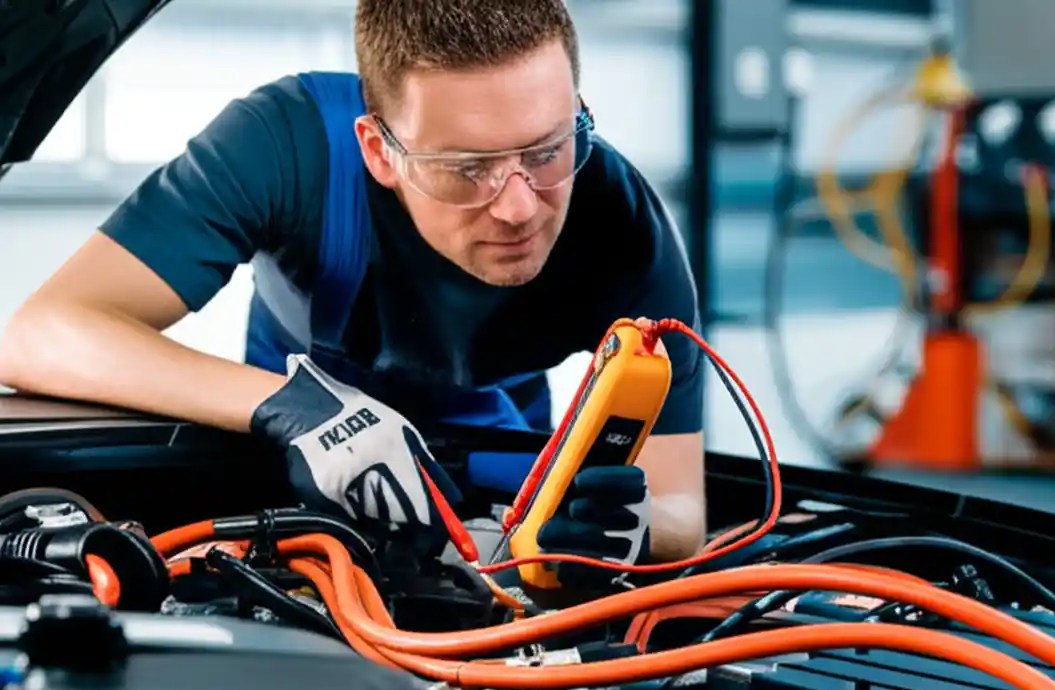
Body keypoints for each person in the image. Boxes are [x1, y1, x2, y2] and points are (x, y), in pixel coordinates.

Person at [0, 0, 707, 576]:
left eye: (547, 148)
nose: (520, 204)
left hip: (499, 500)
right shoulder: (288, 148)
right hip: (285, 482)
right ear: (379, 150)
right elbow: (42, 333)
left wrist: (631, 529)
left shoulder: (622, 226)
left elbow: (683, 505)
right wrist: (298, 409)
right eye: (468, 166)